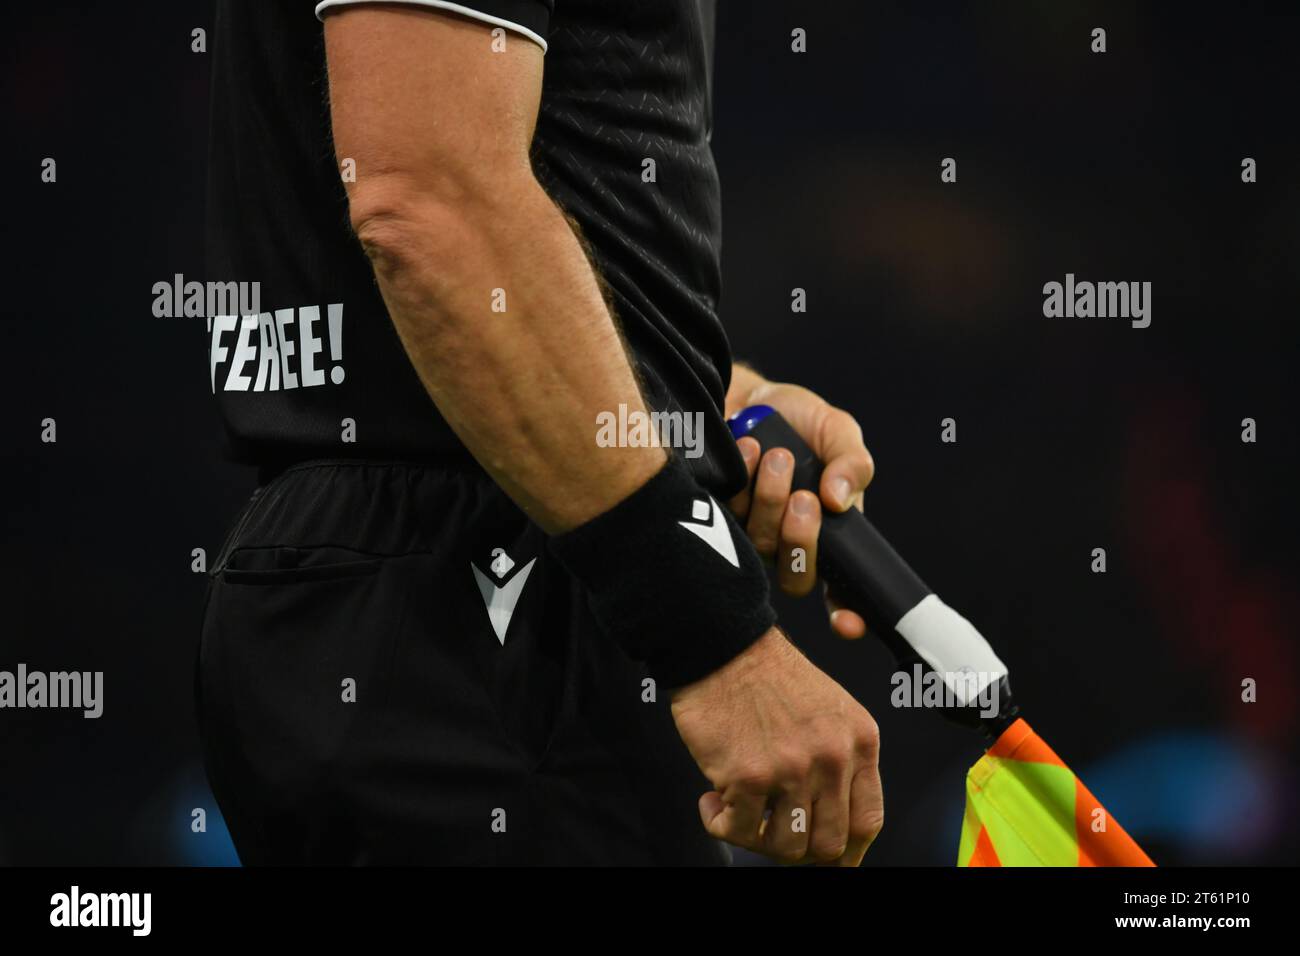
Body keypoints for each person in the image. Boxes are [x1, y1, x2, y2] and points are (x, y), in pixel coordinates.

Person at [198, 0, 882, 866]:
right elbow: (428, 204)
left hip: (484, 564)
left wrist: (692, 403)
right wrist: (713, 638)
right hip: (477, 583)